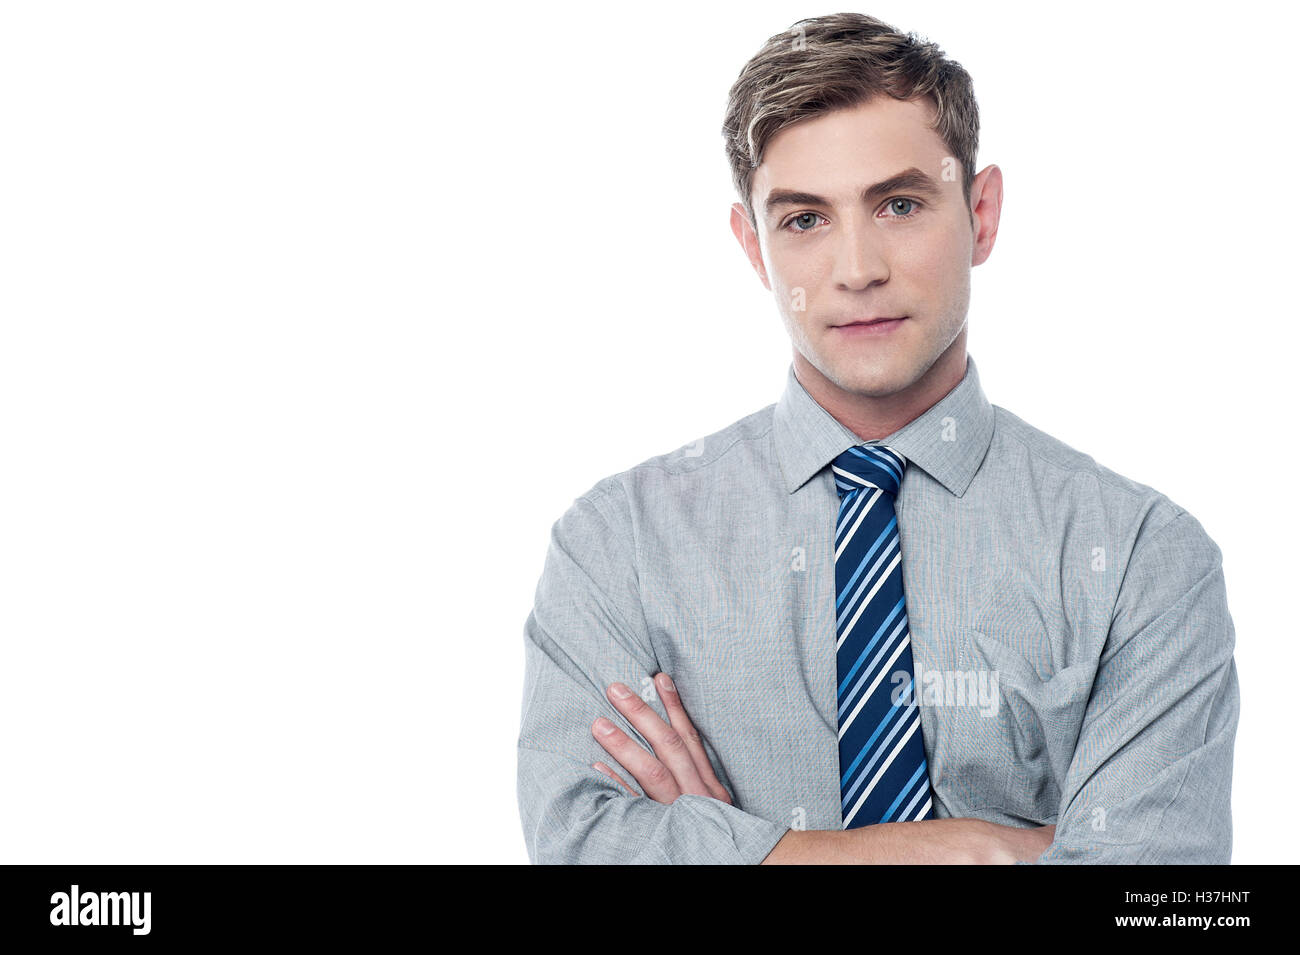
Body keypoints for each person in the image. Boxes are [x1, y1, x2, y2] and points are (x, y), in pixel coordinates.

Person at [515, 12, 1239, 864]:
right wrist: (972, 848)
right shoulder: (618, 545)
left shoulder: (1142, 556)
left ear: (982, 212)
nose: (858, 268)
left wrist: (743, 851)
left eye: (899, 204)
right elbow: (581, 846)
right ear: (753, 246)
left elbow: (1158, 900)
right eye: (805, 220)